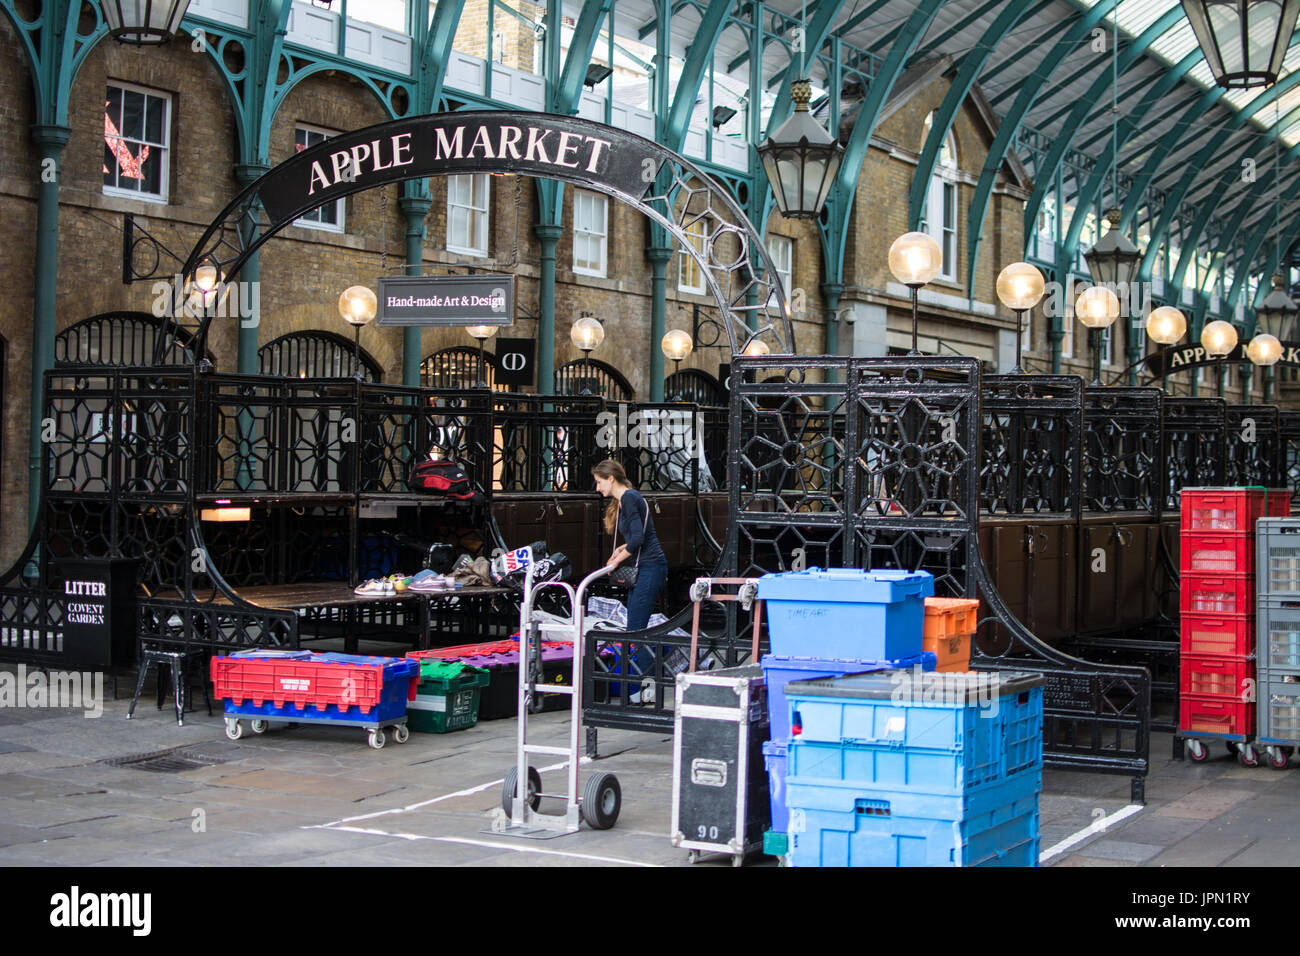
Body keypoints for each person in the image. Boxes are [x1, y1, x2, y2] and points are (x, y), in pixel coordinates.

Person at [592, 459, 667, 632]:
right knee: (634, 625)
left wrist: (616, 561)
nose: (597, 488)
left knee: (635, 627)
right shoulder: (626, 499)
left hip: (650, 566)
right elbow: (641, 535)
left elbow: (638, 538)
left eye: (599, 482)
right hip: (646, 566)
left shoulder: (628, 498)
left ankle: (641, 651)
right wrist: (620, 549)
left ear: (611, 478)